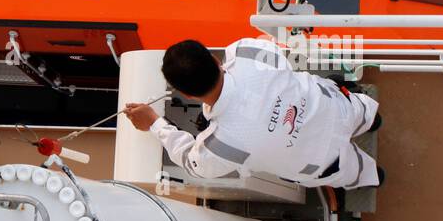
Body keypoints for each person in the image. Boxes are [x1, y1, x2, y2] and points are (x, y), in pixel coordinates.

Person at [124, 37, 383, 190]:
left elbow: (193, 164)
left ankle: (371, 175)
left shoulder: (219, 147)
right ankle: (372, 119)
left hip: (324, 162)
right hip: (336, 107)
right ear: (215, 60)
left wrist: (155, 124)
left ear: (188, 95)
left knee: (356, 172)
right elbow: (274, 57)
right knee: (362, 110)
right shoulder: (246, 52)